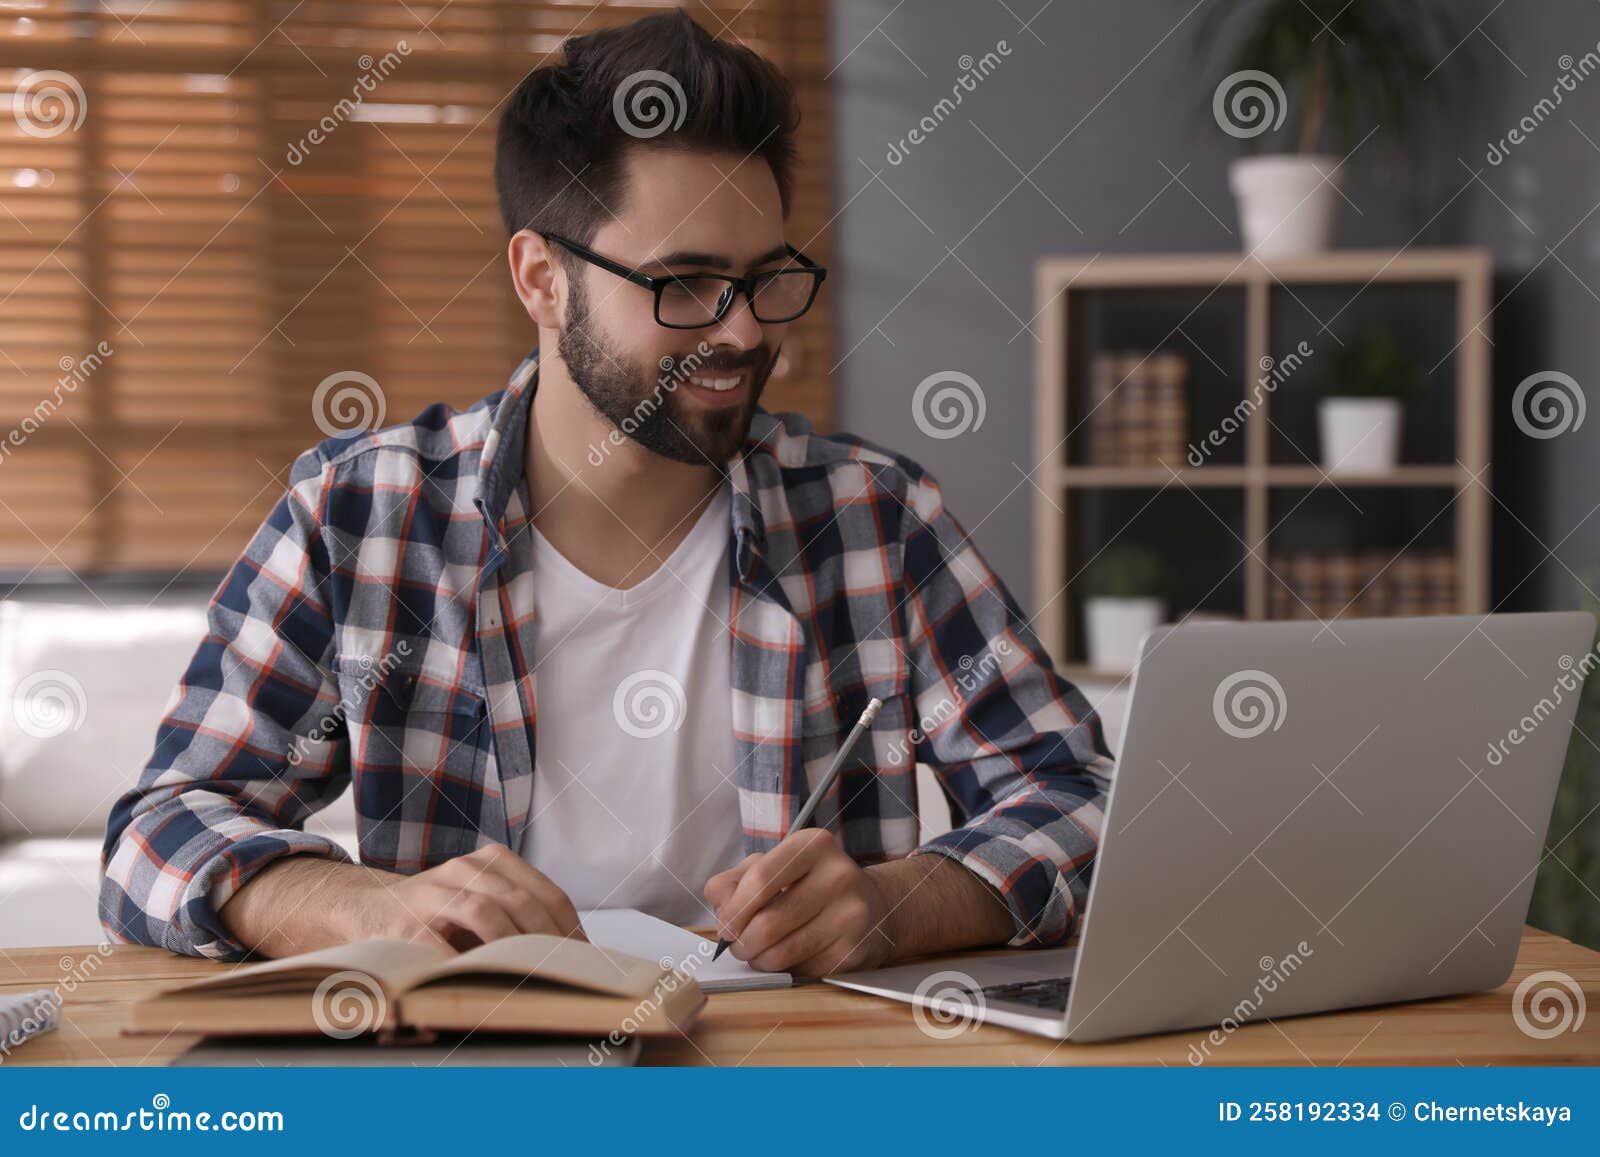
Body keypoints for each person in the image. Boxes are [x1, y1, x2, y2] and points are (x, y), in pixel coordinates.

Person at [100, 10, 1112, 977]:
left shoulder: (872, 520)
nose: (746, 332)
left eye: (764, 278)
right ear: (541, 279)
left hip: (791, 1072)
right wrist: (359, 904)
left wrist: (904, 900)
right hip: (474, 1077)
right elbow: (161, 829)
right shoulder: (358, 518)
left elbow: (1078, 796)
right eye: (683, 283)